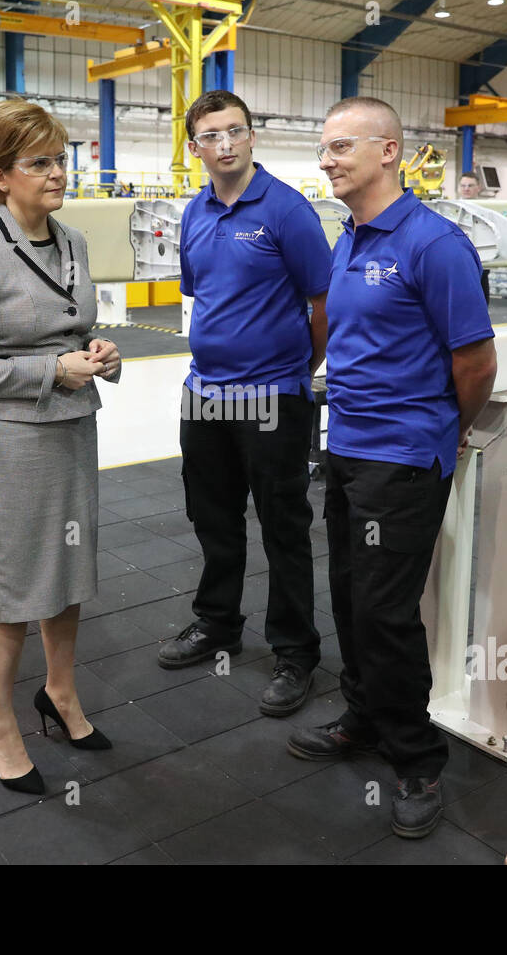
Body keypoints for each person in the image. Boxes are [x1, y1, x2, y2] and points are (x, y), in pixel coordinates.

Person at [287, 96, 497, 840]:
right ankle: (364, 717)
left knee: (383, 611)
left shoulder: (434, 245)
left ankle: (417, 759)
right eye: (324, 147)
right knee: (348, 595)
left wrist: (445, 433)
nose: (327, 159)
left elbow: (474, 362)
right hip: (345, 449)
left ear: (389, 152)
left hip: (403, 459)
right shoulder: (347, 239)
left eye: (342, 145)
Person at [0, 98, 122, 794]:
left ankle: (62, 695)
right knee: (14, 590)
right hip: (10, 441)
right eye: (40, 162)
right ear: (0, 175)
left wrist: (100, 353)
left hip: (73, 426)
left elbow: (79, 330)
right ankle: (1, 723)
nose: (58, 172)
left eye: (61, 157)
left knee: (68, 576)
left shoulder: (72, 241)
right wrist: (51, 370)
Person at [155, 89, 331, 717]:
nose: (224, 144)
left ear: (252, 137)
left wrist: (293, 371)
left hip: (272, 396)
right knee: (213, 517)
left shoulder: (288, 211)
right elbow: (202, 296)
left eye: (235, 131)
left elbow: (323, 304)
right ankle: (217, 622)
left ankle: (295, 651)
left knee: (284, 526)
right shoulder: (194, 213)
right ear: (194, 145)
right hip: (204, 393)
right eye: (211, 134)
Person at [456, 171, 490, 303]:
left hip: (481, 262)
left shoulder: (487, 210)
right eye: (463, 185)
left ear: (478, 187)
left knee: (481, 302)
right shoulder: (449, 208)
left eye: (470, 185)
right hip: (458, 262)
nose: (466, 189)